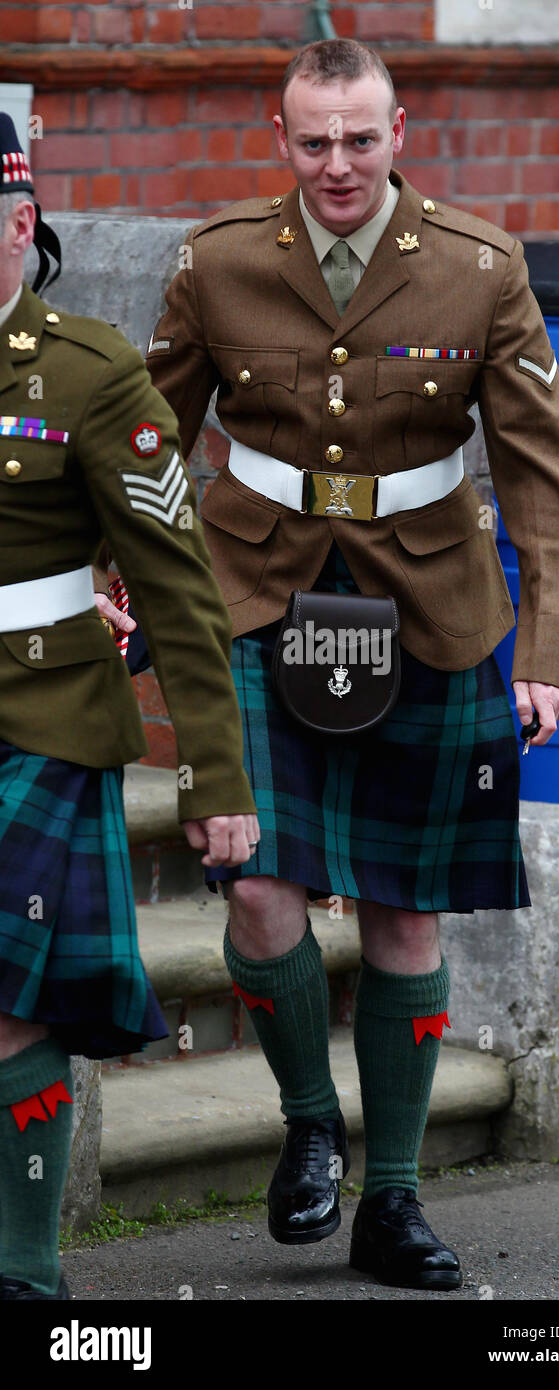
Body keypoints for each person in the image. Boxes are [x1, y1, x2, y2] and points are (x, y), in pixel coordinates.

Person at [146, 39, 559, 1292]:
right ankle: (306, 1120)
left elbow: (546, 478)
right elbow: (146, 443)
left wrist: (544, 653)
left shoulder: (481, 268)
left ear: (400, 135)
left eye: (358, 137)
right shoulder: (219, 261)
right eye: (312, 140)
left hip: (433, 609)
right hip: (255, 594)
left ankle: (392, 1202)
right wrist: (127, 589)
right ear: (279, 140)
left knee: (405, 912)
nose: (335, 164)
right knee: (253, 888)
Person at [0, 114, 259, 1301]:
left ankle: (28, 1272)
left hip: (39, 720)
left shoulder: (92, 372)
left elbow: (179, 588)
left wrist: (215, 780)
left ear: (18, 223)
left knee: (8, 1004)